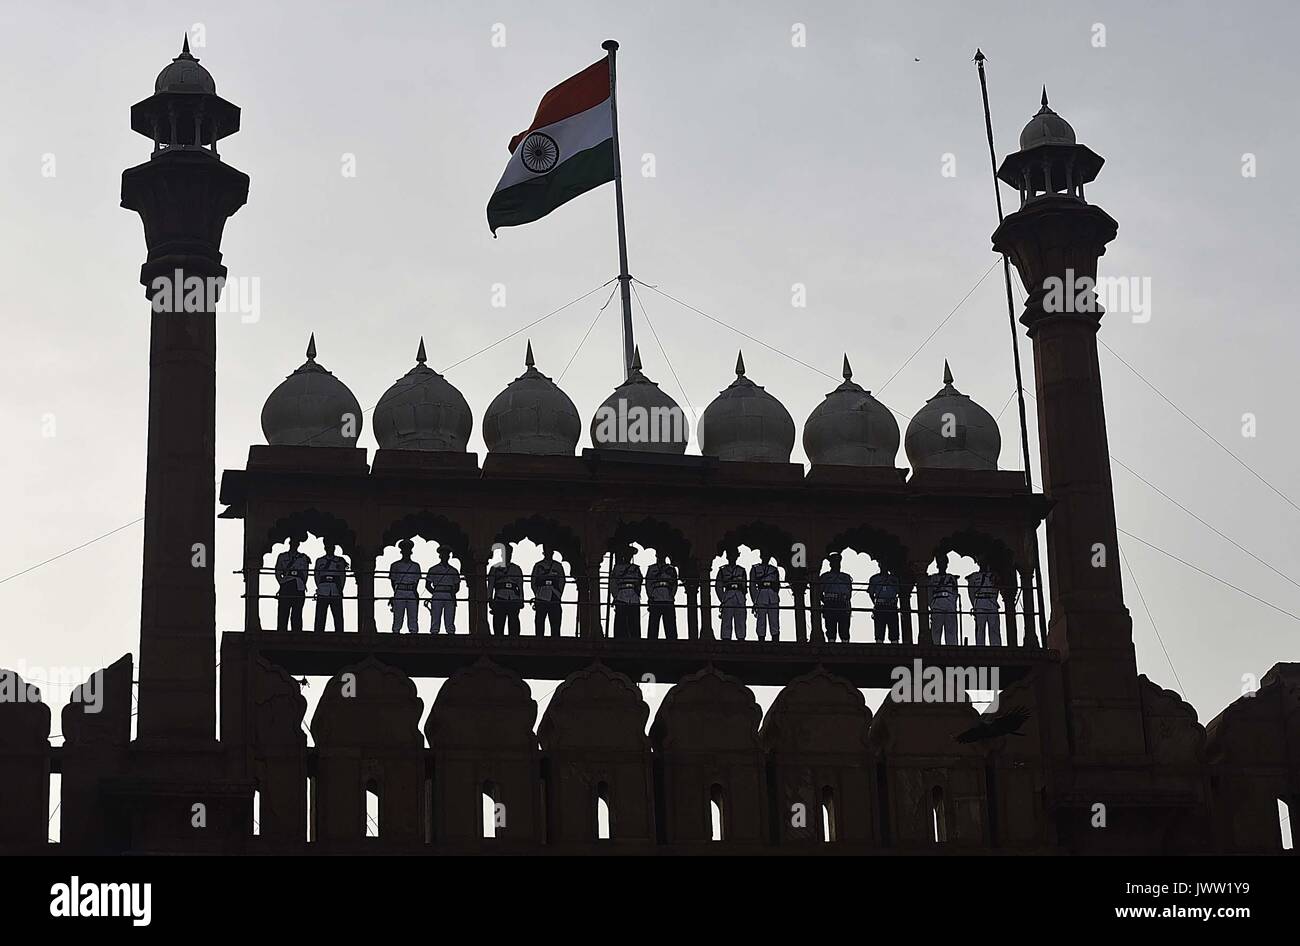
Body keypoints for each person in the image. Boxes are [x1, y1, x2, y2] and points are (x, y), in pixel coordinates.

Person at [275, 534, 311, 632]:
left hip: (298, 586)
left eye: (296, 543)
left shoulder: (303, 558)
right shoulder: (282, 556)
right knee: (283, 612)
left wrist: (302, 584)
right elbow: (278, 572)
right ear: (290, 544)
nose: (294, 545)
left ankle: (297, 632)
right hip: (286, 585)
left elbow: (305, 573)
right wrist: (282, 583)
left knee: (297, 613)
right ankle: (281, 632)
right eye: (293, 543)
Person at [488, 544, 525, 635]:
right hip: (500, 597)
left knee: (514, 624)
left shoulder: (516, 569)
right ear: (502, 554)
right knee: (498, 623)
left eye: (509, 553)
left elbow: (520, 585)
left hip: (513, 598)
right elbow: (491, 585)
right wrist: (489, 599)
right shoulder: (495, 568)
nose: (508, 555)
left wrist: (521, 599)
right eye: (506, 553)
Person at [313, 540, 348, 632]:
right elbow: (316, 576)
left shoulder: (339, 561)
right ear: (325, 548)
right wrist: (319, 587)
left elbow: (342, 576)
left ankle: (340, 633)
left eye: (331, 547)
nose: (330, 549)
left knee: (338, 616)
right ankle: (318, 633)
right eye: (328, 547)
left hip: (335, 589)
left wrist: (340, 588)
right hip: (323, 589)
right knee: (320, 615)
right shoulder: (320, 560)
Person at [531, 545, 566, 637]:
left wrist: (558, 594)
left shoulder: (558, 566)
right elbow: (533, 582)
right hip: (541, 597)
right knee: (539, 623)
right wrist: (537, 594)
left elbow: (562, 581)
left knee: (555, 623)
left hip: (554, 596)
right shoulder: (538, 566)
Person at [424, 546, 460, 635]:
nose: (445, 556)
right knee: (435, 618)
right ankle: (434, 634)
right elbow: (427, 585)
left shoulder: (453, 571)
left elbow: (457, 587)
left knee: (450, 619)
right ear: (440, 556)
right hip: (438, 593)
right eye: (443, 554)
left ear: (449, 556)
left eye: (446, 554)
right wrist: (436, 593)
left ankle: (451, 634)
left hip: (449, 594)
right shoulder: (433, 569)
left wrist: (450, 593)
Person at [818, 552, 853, 642]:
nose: (837, 564)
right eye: (834, 562)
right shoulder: (825, 577)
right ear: (830, 564)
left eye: (838, 562)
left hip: (842, 604)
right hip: (830, 603)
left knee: (844, 629)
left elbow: (849, 593)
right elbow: (818, 593)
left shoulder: (845, 577)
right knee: (830, 628)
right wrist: (825, 602)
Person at [389, 539, 422, 633]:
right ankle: (396, 632)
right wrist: (396, 591)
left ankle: (413, 632)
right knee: (398, 615)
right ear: (402, 551)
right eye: (405, 550)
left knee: (413, 616)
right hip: (400, 590)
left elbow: (416, 582)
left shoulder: (416, 566)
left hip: (411, 590)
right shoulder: (395, 565)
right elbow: (392, 581)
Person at [610, 546, 643, 640]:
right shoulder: (617, 568)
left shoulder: (636, 568)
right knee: (620, 621)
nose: (628, 556)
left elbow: (639, 582)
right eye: (626, 554)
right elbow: (613, 583)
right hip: (621, 594)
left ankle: (635, 639)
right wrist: (615, 596)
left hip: (633, 595)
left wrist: (637, 593)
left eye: (630, 555)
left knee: (634, 621)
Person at [645, 551, 679, 640]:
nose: (660, 557)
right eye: (659, 555)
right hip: (655, 596)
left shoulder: (671, 569)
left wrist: (672, 595)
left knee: (670, 624)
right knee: (653, 623)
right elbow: (648, 583)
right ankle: (652, 640)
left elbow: (675, 584)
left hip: (667, 596)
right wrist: (650, 596)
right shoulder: (652, 569)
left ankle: (672, 640)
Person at [716, 549, 748, 641]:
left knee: (740, 619)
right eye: (730, 555)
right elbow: (718, 587)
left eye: (734, 555)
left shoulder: (741, 570)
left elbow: (745, 586)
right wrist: (723, 599)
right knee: (726, 619)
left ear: (737, 556)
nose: (732, 557)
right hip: (728, 595)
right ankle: (726, 638)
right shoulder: (723, 570)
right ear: (727, 557)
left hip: (739, 595)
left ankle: (741, 638)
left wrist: (743, 596)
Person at [967, 563, 1002, 646]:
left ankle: (996, 647)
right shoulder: (974, 577)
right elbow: (971, 593)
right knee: (980, 628)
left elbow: (996, 590)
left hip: (992, 602)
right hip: (980, 602)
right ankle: (980, 646)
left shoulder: (994, 576)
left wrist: (992, 598)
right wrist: (975, 605)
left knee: (994, 628)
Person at [750, 552, 781, 642]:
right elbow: (752, 586)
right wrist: (755, 601)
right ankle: (761, 640)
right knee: (761, 621)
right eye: (764, 555)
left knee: (774, 620)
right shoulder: (755, 568)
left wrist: (774, 593)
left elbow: (777, 585)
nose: (766, 557)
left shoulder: (774, 569)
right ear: (761, 556)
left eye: (767, 555)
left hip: (772, 595)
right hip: (761, 594)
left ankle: (775, 640)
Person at [928, 557, 960, 645]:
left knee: (951, 632)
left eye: (944, 563)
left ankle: (952, 650)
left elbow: (955, 592)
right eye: (940, 563)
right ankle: (935, 649)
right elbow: (929, 593)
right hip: (937, 605)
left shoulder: (952, 578)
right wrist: (932, 605)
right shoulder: (932, 579)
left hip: (949, 604)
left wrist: (952, 602)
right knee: (936, 632)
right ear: (937, 565)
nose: (942, 565)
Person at [867, 565, 901, 644]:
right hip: (880, 606)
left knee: (894, 632)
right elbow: (871, 593)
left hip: (891, 606)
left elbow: (899, 591)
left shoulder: (894, 579)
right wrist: (875, 603)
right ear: (879, 565)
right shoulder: (874, 579)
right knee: (879, 632)